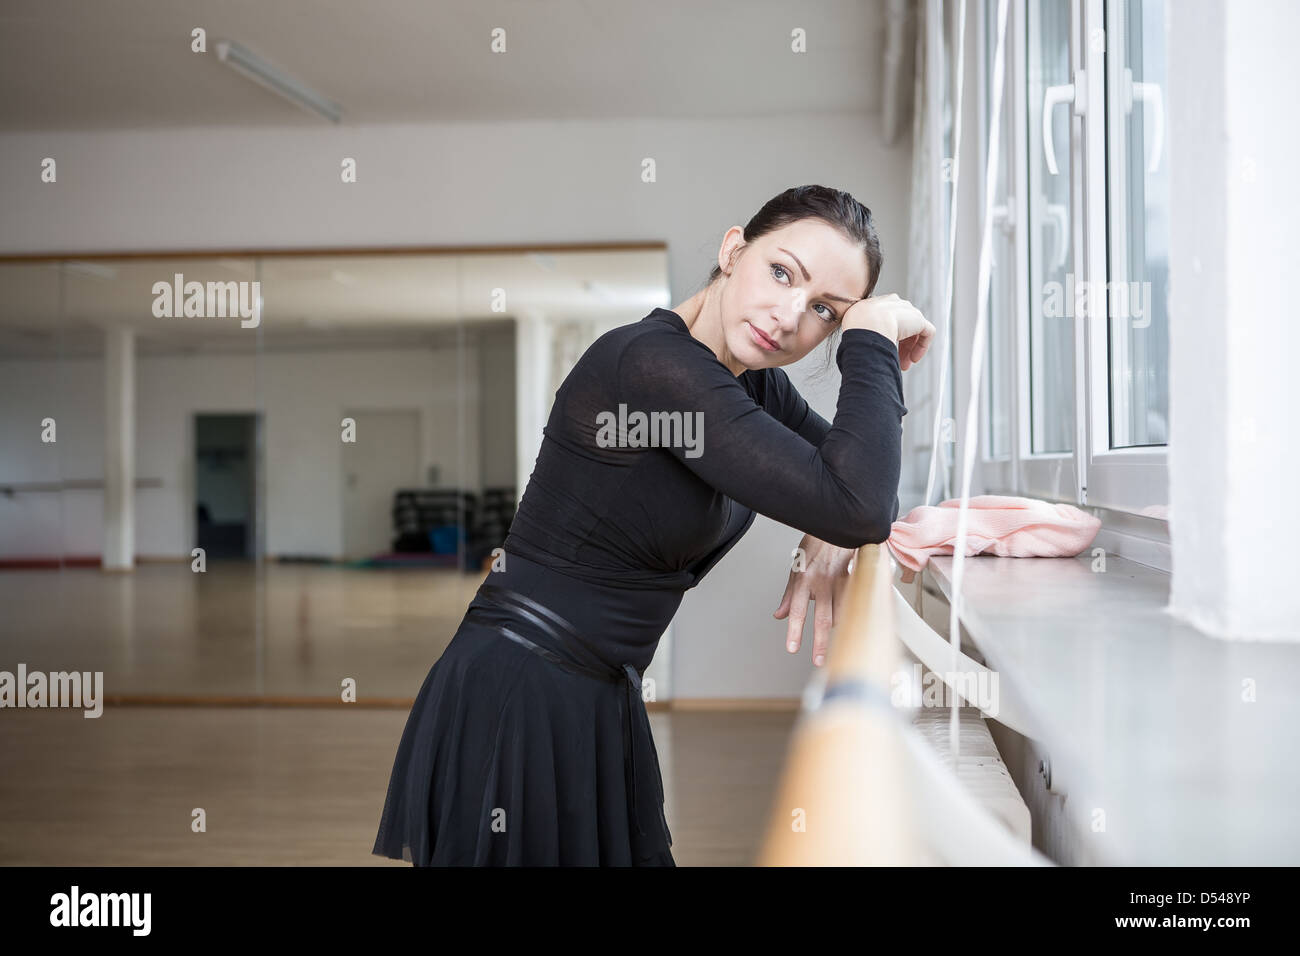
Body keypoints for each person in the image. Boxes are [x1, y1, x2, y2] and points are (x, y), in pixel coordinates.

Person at [371, 184, 935, 866]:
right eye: (782, 272)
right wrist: (871, 341)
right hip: (522, 690)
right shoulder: (650, 366)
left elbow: (858, 494)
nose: (790, 317)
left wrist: (828, 522)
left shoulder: (749, 382)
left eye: (825, 311)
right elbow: (858, 503)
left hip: (599, 697)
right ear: (734, 250)